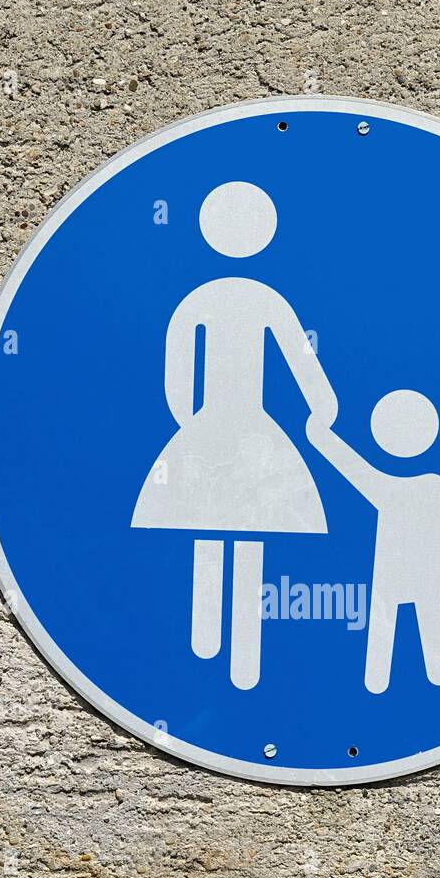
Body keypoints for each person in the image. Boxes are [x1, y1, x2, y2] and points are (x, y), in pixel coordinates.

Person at [132, 181, 335, 690]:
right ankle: (222, 650)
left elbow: (176, 374)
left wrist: (189, 425)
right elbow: (302, 360)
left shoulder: (203, 298)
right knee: (247, 527)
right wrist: (323, 407)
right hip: (244, 429)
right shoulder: (259, 298)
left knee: (219, 523)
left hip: (217, 426)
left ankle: (220, 646)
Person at [306, 389, 440, 693]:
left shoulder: (411, 487)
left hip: (414, 569)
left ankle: (401, 681)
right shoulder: (420, 485)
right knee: (403, 618)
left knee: (410, 618)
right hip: (402, 568)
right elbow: (352, 468)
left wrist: (321, 436)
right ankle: (389, 682)